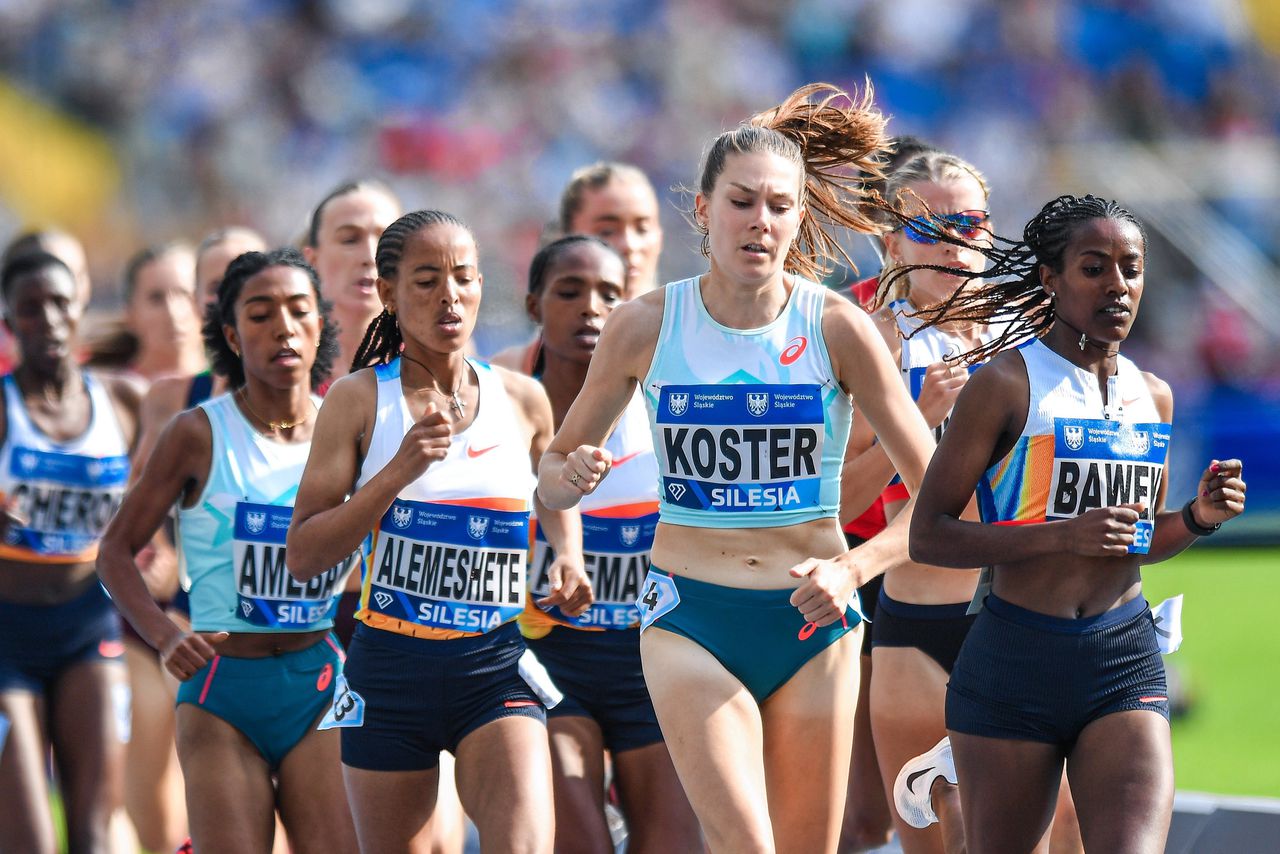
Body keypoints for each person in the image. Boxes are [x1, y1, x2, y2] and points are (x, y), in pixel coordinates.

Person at [537, 83, 937, 853]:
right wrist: (569, 477)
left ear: (798, 218)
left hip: (814, 623)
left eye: (780, 206)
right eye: (743, 202)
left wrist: (856, 570)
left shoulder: (838, 328)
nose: (761, 221)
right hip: (691, 617)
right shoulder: (647, 324)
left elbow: (934, 498)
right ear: (704, 211)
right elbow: (551, 472)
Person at [899, 194, 1246, 852]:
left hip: (1123, 660)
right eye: (1094, 268)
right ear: (1050, 279)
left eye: (1131, 268)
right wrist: (1062, 535)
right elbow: (931, 534)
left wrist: (1197, 517)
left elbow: (1133, 545)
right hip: (1016, 662)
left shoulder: (1155, 395)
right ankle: (946, 783)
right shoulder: (1006, 384)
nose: (1117, 285)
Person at [286, 209, 593, 852]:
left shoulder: (521, 398)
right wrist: (396, 472)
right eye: (426, 281)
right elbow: (305, 555)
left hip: (494, 664)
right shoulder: (360, 399)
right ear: (390, 294)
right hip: (391, 671)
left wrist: (568, 555)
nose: (449, 296)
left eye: (463, 277)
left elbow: (549, 493)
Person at [97, 248, 358, 853]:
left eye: (298, 310)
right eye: (260, 314)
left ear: (321, 324)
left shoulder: (348, 430)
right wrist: (164, 635)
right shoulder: (196, 433)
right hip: (222, 693)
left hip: (318, 680)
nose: (283, 328)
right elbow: (113, 552)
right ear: (232, 337)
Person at [516, 235, 701, 852]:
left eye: (609, 295)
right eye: (569, 292)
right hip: (545, 662)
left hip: (649, 662)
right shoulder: (504, 404)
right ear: (533, 304)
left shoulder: (665, 409)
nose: (590, 308)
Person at [117, 226, 266, 854]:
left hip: (280, 633)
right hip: (177, 625)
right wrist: (160, 554)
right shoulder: (171, 400)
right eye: (214, 285)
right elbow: (133, 520)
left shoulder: (325, 400)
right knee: (165, 800)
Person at [0, 250, 143, 853]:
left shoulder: (124, 403)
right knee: (30, 839)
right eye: (30, 309)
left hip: (89, 627)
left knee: (94, 831)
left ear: (80, 306)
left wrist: (151, 546)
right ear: (9, 321)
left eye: (60, 303)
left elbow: (163, 504)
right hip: (6, 635)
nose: (49, 320)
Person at [492, 162, 665, 375]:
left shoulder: (692, 349)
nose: (630, 245)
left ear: (659, 237)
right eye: (608, 230)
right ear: (567, 239)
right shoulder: (513, 375)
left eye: (642, 228)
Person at [301, 179, 402, 387]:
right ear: (312, 261)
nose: (369, 256)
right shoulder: (283, 371)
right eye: (350, 240)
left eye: (386, 240)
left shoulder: (430, 368)